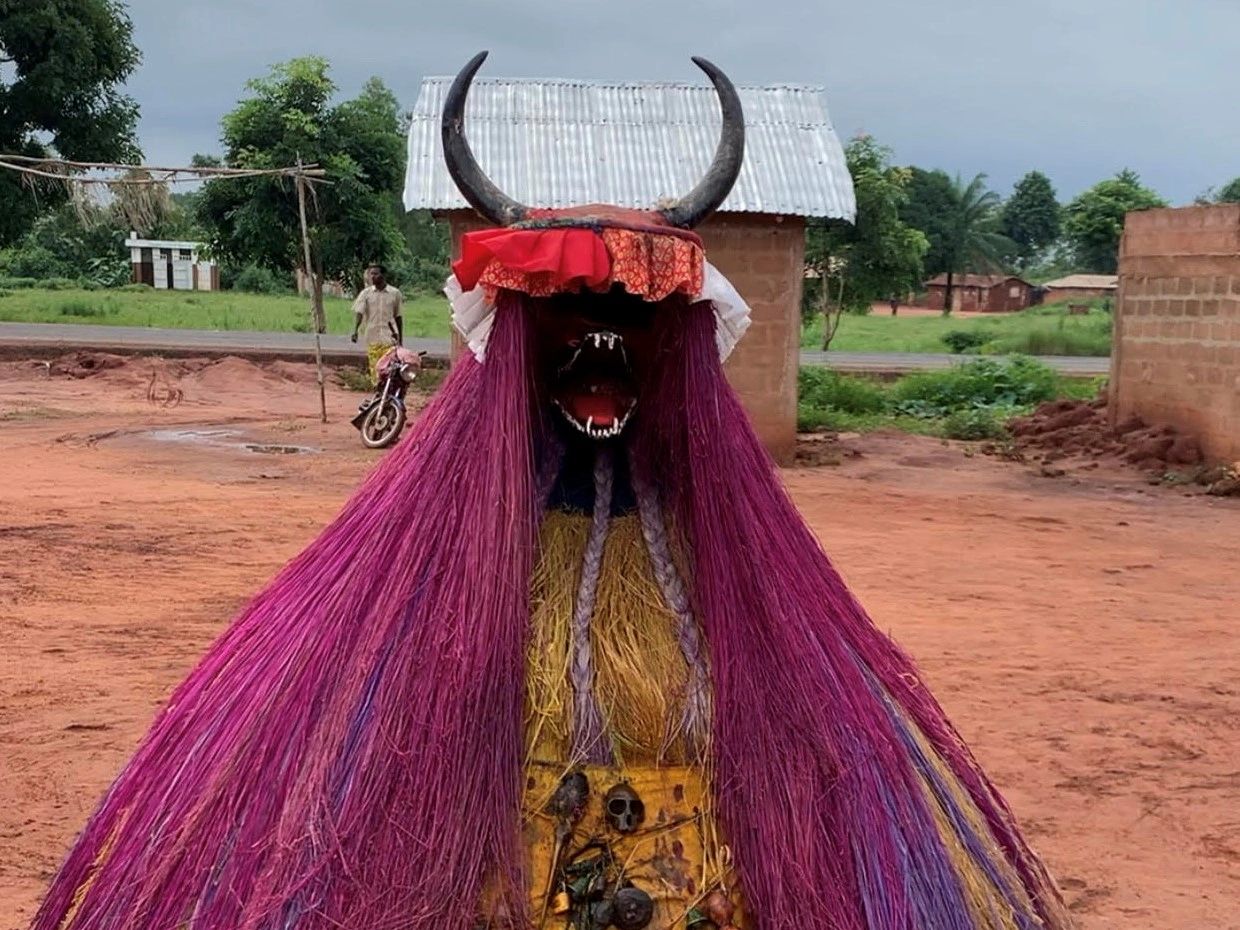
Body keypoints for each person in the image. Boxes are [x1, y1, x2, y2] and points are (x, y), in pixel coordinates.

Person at [31, 54, 1070, 930]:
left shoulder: (724, 558)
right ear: (521, 336)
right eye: (566, 313)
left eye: (629, 312)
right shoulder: (446, 559)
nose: (598, 330)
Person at [350, 264, 403, 383]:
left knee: (388, 369)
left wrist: (400, 338)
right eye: (371, 274)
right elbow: (359, 312)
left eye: (376, 274)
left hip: (389, 338)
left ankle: (387, 393)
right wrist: (355, 331)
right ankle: (378, 392)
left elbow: (398, 317)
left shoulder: (395, 294)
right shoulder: (366, 294)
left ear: (384, 275)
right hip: (372, 337)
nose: (372, 277)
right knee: (375, 369)